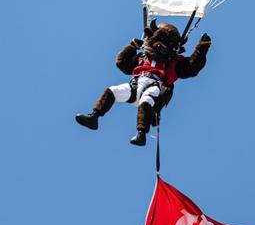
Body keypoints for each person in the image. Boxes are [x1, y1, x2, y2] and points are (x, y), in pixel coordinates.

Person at [75, 22, 212, 146]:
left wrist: (201, 49)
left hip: (155, 86)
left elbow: (191, 67)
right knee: (112, 91)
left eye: (169, 44)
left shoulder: (174, 62)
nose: (162, 46)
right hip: (135, 85)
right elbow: (122, 63)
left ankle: (141, 134)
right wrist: (132, 47)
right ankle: (94, 117)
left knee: (147, 99)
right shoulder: (142, 57)